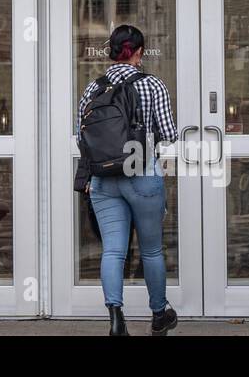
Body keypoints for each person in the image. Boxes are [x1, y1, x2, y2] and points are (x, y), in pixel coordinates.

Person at [77, 24, 179, 336]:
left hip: (103, 179)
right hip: (141, 171)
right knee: (150, 251)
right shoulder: (153, 85)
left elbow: (80, 136)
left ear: (112, 51)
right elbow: (170, 135)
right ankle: (159, 313)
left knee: (113, 251)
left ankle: (116, 319)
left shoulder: (93, 89)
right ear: (139, 51)